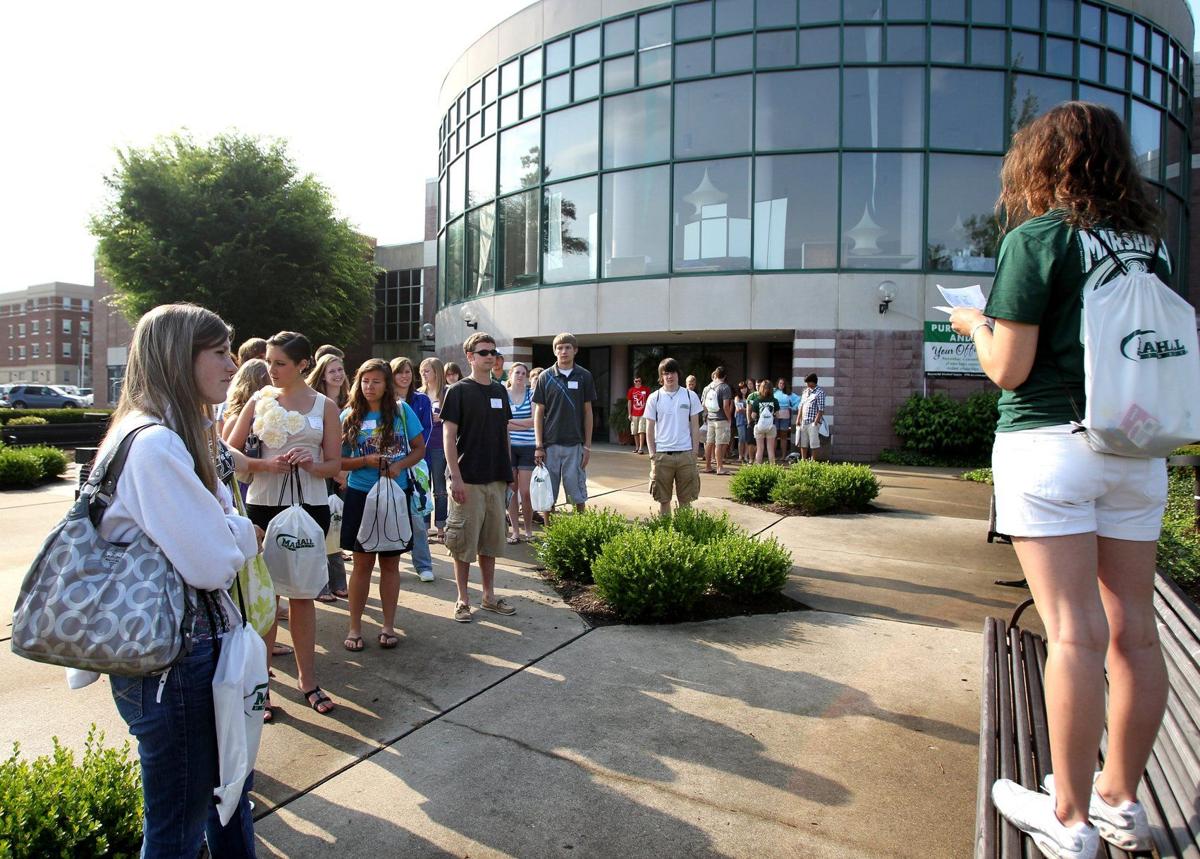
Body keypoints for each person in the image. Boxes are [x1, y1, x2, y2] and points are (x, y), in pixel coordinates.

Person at [950, 102, 1173, 859]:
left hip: (1051, 443)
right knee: (1133, 630)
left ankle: (1069, 817)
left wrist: (974, 326)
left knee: (1075, 629)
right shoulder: (1149, 250)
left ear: (1042, 164)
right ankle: (1119, 798)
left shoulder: (1038, 239)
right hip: (1138, 447)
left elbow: (1008, 368)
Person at [97, 303, 259, 857]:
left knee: (226, 799)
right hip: (175, 663)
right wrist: (240, 533)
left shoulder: (159, 432)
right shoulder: (157, 443)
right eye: (218, 351)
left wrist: (222, 530)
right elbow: (213, 561)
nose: (231, 362)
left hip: (179, 654)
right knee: (178, 829)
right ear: (177, 356)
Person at [227, 330, 342, 719]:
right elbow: (227, 447)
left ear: (303, 365)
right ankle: (262, 685)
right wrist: (262, 465)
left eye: (280, 363)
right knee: (265, 598)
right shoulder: (259, 399)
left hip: (309, 504)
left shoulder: (324, 405)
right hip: (261, 505)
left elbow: (334, 464)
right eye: (269, 362)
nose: (271, 370)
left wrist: (312, 464)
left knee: (303, 594)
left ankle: (307, 680)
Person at [338, 359, 428, 650]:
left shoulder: (402, 411)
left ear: (386, 384)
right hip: (360, 494)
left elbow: (419, 449)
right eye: (365, 381)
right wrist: (365, 461)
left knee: (390, 563)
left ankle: (388, 626)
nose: (369, 386)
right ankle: (355, 628)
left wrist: (399, 465)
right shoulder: (349, 415)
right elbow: (337, 460)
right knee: (362, 563)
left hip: (395, 494)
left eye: (376, 381)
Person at [441, 332, 517, 622]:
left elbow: (504, 433)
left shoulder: (500, 391)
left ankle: (488, 596)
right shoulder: (458, 390)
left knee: (490, 542)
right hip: (468, 478)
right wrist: (455, 477)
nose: (489, 356)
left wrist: (508, 471)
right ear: (470, 357)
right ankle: (463, 599)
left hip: (496, 478)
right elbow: (449, 436)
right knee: (463, 543)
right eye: (483, 352)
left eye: (492, 352)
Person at [532, 332, 596, 514]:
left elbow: (588, 411)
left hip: (575, 444)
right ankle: (550, 534)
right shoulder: (545, 377)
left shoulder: (584, 376)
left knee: (577, 494)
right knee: (548, 493)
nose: (564, 351)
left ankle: (578, 532)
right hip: (549, 445)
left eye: (568, 347)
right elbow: (539, 412)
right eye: (559, 348)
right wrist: (539, 445)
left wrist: (588, 446)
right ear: (554, 351)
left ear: (575, 350)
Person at [307, 353, 352, 601]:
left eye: (340, 369)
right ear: (322, 374)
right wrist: (336, 470)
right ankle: (322, 583)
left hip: (345, 471)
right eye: (332, 370)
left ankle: (337, 581)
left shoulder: (350, 400)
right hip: (322, 471)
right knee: (321, 527)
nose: (337, 374)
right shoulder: (314, 402)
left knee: (336, 526)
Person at [391, 356, 435, 582]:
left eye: (408, 371)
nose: (405, 375)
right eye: (400, 372)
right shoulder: (384, 400)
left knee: (417, 516)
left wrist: (412, 453)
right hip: (390, 464)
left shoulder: (421, 400)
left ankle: (423, 564)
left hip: (415, 463)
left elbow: (426, 429)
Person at [644, 357, 703, 516]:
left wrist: (695, 453)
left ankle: (684, 534)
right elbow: (649, 428)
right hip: (662, 455)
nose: (669, 377)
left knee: (686, 500)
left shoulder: (690, 396)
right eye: (666, 373)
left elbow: (695, 426)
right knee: (663, 500)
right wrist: (652, 455)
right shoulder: (654, 398)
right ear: (661, 376)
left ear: (679, 374)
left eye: (673, 372)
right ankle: (665, 535)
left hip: (686, 455)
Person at [505, 362, 536, 543]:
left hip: (528, 447)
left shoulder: (531, 394)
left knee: (525, 491)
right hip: (509, 447)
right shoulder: (504, 394)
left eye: (523, 373)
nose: (520, 376)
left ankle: (529, 530)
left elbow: (534, 421)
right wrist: (523, 423)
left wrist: (512, 423)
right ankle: (515, 531)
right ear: (511, 374)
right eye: (517, 372)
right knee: (511, 490)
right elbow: (502, 421)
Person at [419, 356, 449, 544]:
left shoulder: (447, 393)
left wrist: (442, 418)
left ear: (437, 372)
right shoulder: (419, 393)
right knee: (422, 487)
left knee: (439, 488)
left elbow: (457, 419)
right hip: (421, 446)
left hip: (439, 445)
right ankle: (423, 527)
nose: (423, 374)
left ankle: (440, 527)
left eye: (427, 370)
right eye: (422, 371)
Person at [701, 366, 734, 475]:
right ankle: (720, 468)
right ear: (725, 375)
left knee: (709, 442)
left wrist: (707, 415)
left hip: (710, 418)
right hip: (721, 419)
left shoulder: (708, 387)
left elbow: (704, 405)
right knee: (720, 443)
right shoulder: (725, 387)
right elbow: (725, 406)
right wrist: (729, 418)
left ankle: (708, 466)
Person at [796, 373, 826, 461]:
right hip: (803, 422)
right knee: (803, 443)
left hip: (813, 422)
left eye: (808, 382)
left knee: (814, 443)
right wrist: (798, 419)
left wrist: (815, 422)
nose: (807, 384)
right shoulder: (805, 392)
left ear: (813, 382)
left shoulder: (820, 392)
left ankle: (813, 462)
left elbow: (821, 409)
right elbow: (800, 406)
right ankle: (803, 460)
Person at [747, 379, 777, 464]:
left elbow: (753, 415)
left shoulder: (757, 401)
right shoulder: (774, 400)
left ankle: (758, 469)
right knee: (770, 449)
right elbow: (778, 415)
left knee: (760, 449)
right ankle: (773, 468)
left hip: (759, 426)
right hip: (771, 426)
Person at [626, 374, 650, 454]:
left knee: (641, 431)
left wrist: (648, 412)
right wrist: (629, 413)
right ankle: (637, 447)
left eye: (639, 381)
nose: (638, 382)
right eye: (636, 381)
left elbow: (648, 401)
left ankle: (641, 448)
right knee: (634, 431)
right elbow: (629, 402)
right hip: (634, 414)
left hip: (643, 413)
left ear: (641, 381)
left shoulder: (646, 389)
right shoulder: (631, 390)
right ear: (634, 381)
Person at [773, 378, 793, 460]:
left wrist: (791, 408)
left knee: (783, 437)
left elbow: (794, 404)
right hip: (775, 416)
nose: (781, 385)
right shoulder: (773, 392)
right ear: (778, 384)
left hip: (785, 417)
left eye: (783, 384)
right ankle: (772, 456)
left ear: (785, 385)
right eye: (780, 383)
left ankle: (783, 456)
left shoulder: (789, 394)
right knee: (774, 436)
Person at [733, 381, 751, 464]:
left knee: (748, 438)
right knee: (741, 438)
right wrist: (747, 409)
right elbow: (738, 409)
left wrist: (745, 409)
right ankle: (740, 456)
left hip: (748, 419)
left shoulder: (749, 397)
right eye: (742, 388)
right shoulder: (737, 397)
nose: (744, 390)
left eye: (745, 388)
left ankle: (746, 456)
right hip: (740, 419)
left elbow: (748, 409)